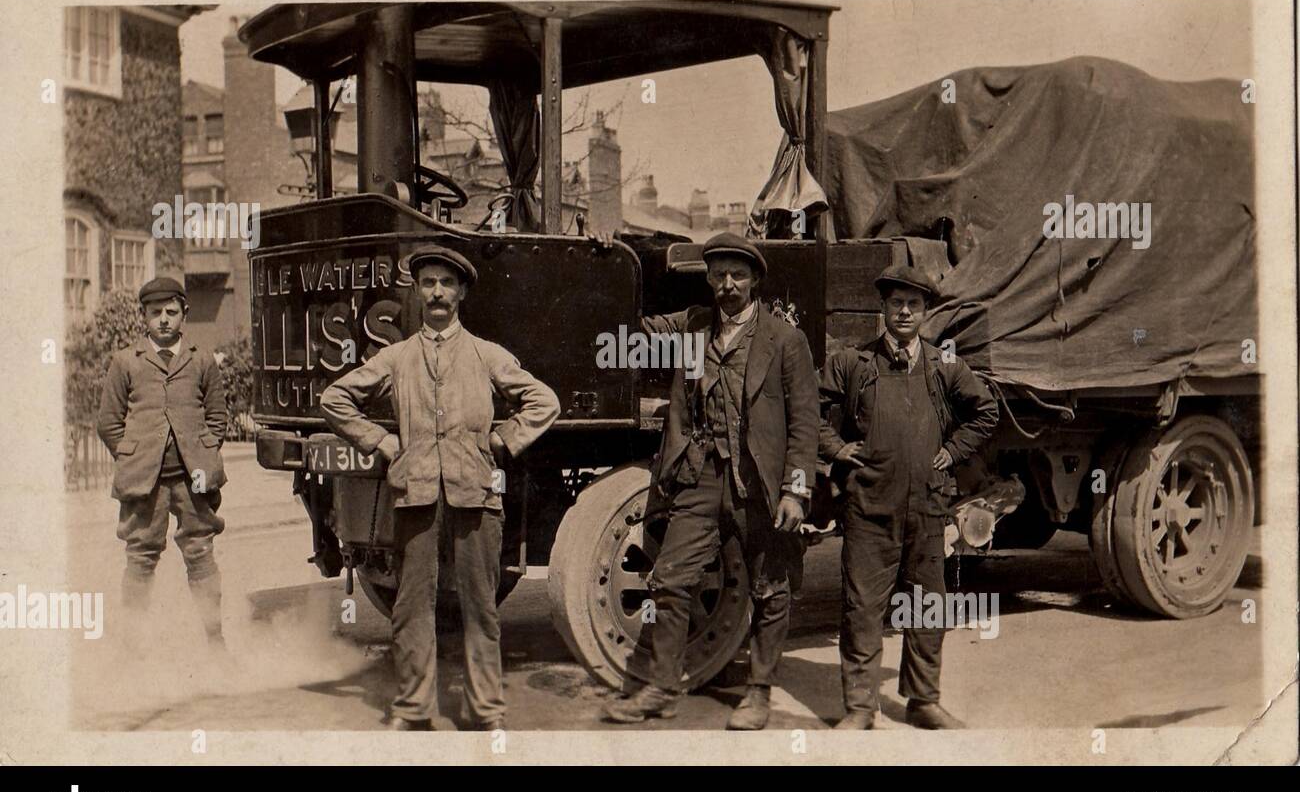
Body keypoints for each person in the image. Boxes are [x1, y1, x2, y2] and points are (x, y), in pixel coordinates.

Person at [320, 246, 559, 731]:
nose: (436, 293)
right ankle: (412, 709)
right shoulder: (396, 358)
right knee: (411, 608)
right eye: (427, 283)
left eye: (445, 284)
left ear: (462, 292)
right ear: (417, 290)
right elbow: (335, 398)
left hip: (476, 495)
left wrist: (501, 439)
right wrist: (383, 441)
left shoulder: (486, 354)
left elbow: (544, 400)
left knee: (480, 606)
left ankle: (485, 710)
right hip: (416, 496)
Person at [602, 231, 819, 730]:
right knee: (671, 579)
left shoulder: (785, 341)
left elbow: (806, 423)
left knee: (770, 587)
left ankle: (759, 691)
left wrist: (796, 490)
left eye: (737, 275)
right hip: (700, 476)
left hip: (760, 482)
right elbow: (630, 330)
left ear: (756, 280)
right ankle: (659, 687)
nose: (727, 284)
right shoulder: (694, 328)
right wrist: (604, 260)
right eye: (718, 274)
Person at [819, 265, 999, 729]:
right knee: (862, 608)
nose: (903, 312)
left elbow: (986, 411)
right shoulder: (852, 362)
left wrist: (952, 451)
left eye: (913, 305)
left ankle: (923, 701)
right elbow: (808, 409)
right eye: (896, 303)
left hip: (927, 505)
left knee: (926, 605)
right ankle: (860, 708)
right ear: (883, 308)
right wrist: (837, 449)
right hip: (869, 506)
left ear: (924, 312)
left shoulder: (944, 365)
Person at [97, 276, 228, 650]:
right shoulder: (125, 362)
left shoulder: (201, 359)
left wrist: (203, 452)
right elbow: (108, 421)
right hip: (145, 483)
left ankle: (215, 642)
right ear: (144, 317)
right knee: (140, 558)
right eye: (155, 313)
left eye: (172, 312)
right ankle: (132, 650)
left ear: (185, 313)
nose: (164, 320)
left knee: (201, 553)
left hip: (193, 480)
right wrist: (132, 455)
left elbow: (217, 416)